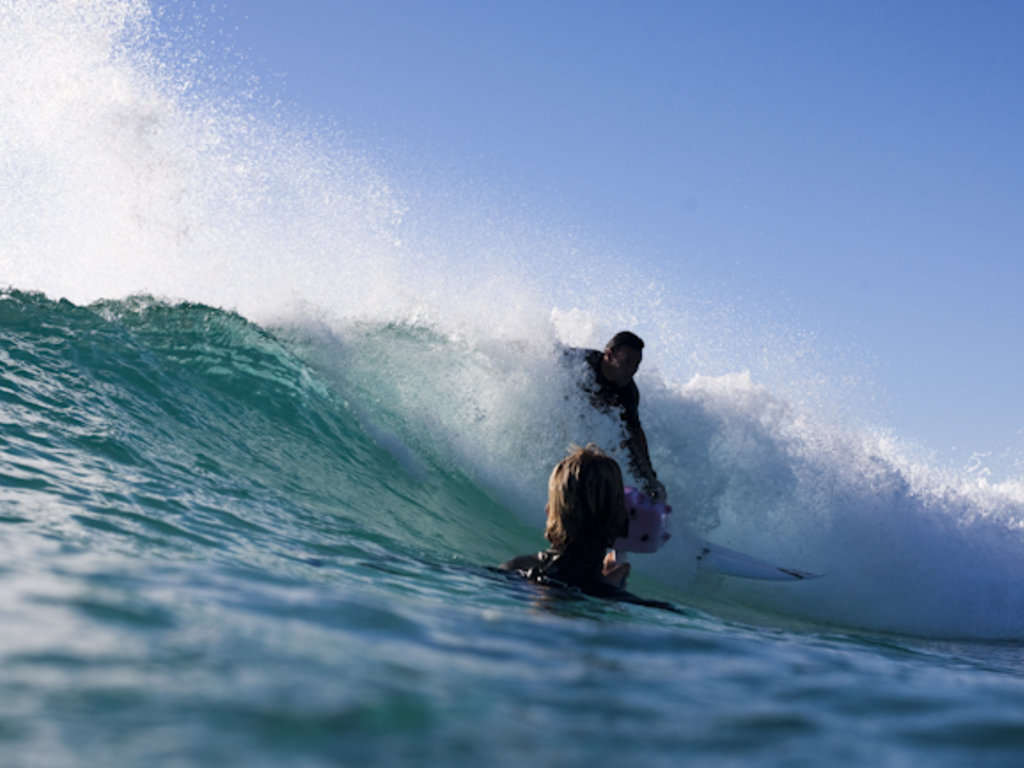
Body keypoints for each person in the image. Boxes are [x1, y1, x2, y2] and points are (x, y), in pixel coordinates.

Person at [499, 444, 671, 609]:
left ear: (550, 511)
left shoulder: (514, 568)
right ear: (618, 520)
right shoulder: (614, 597)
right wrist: (610, 597)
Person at [564, 331, 666, 501]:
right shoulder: (581, 361)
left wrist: (649, 474)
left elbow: (634, 431)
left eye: (636, 365)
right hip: (567, 406)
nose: (632, 370)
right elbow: (545, 353)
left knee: (628, 449)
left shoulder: (628, 392)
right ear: (609, 355)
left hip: (593, 419)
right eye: (627, 362)